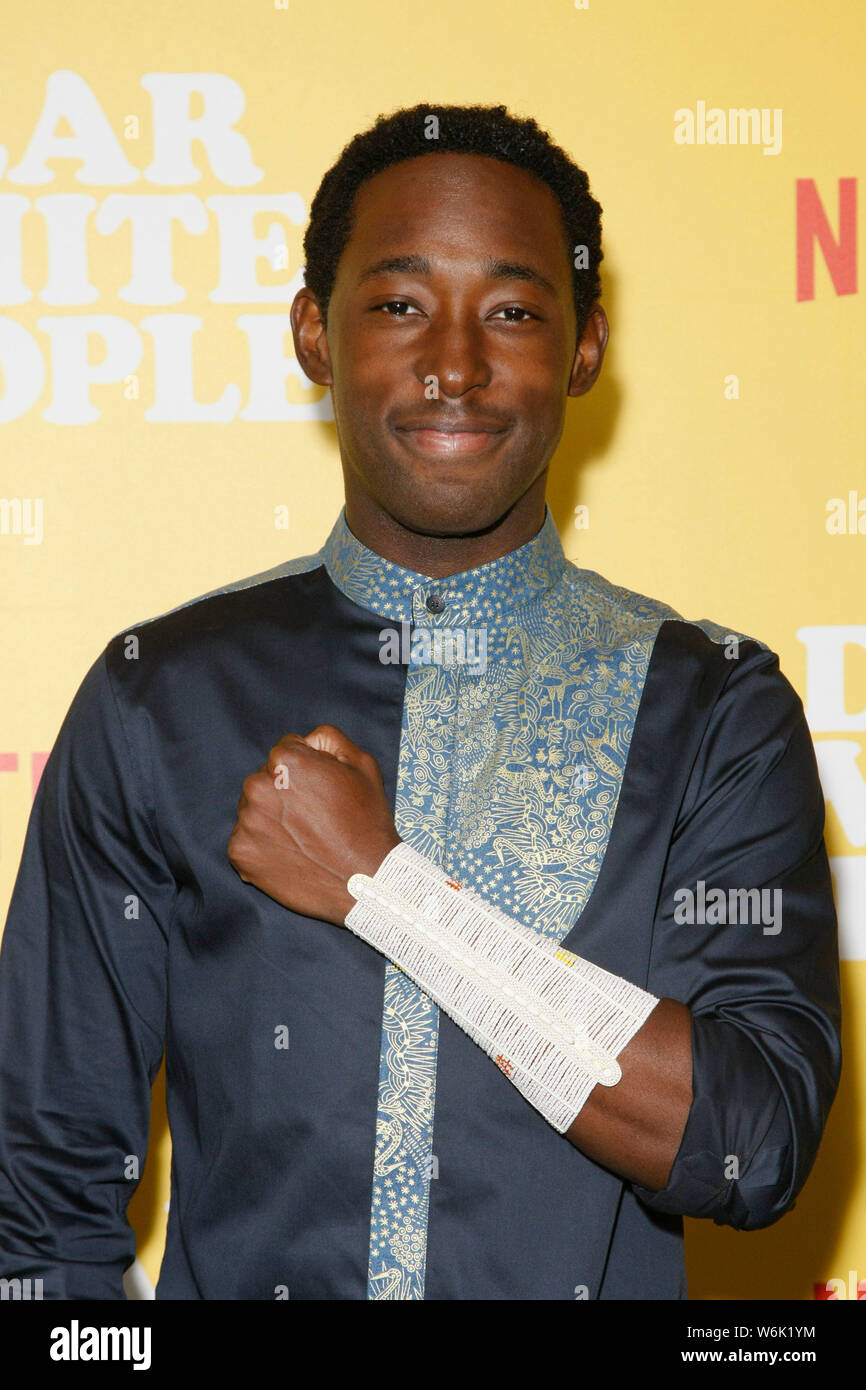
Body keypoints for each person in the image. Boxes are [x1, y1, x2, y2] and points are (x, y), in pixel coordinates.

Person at [0, 103, 841, 1301]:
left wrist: (384, 890)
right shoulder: (159, 697)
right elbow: (40, 1206)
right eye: (398, 304)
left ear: (585, 349)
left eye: (512, 310)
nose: (454, 362)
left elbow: (751, 1148)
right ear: (314, 335)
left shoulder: (711, 707)